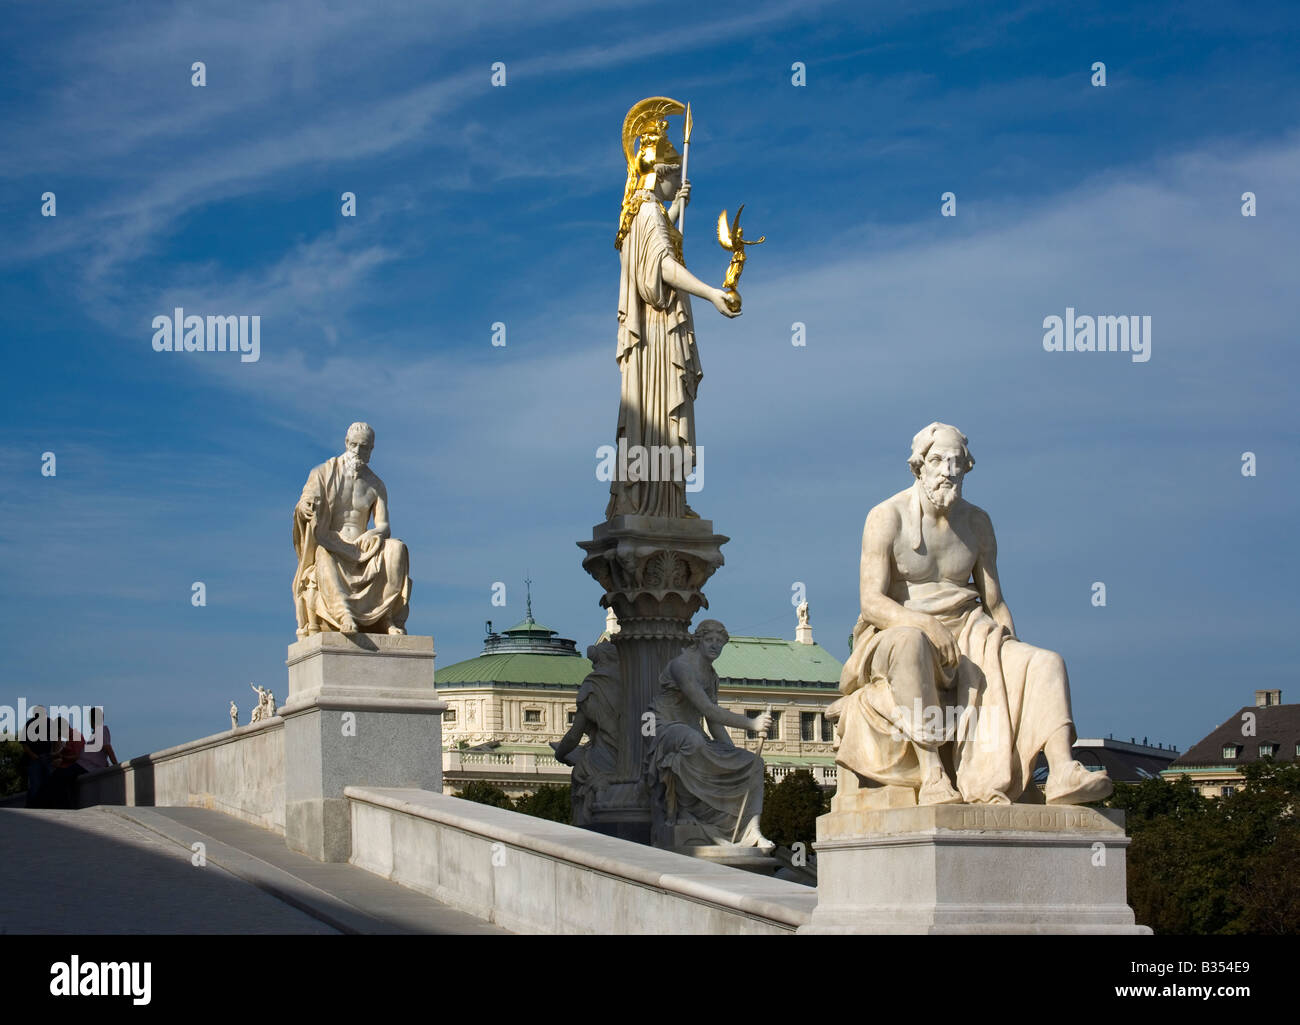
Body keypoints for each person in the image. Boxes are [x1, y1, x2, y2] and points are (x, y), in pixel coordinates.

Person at [832, 423, 1112, 806]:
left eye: (956, 462)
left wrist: (1009, 654)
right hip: (895, 632)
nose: (947, 471)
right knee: (912, 643)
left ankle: (1062, 769)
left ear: (966, 467)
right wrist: (924, 623)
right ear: (918, 466)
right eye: (937, 461)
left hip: (968, 630)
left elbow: (994, 603)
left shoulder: (977, 523)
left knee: (1046, 663)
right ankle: (932, 773)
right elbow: (872, 602)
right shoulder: (886, 517)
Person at [607, 101, 740, 520]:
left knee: (655, 422)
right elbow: (662, 268)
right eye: (675, 173)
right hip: (657, 340)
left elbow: (657, 248)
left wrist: (676, 210)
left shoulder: (639, 214)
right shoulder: (649, 214)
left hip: (652, 338)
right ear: (661, 174)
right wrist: (711, 293)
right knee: (659, 416)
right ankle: (658, 505)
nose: (679, 180)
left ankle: (663, 501)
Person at [642, 620, 774, 848]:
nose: (715, 645)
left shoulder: (712, 676)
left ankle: (751, 830)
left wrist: (731, 757)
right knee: (692, 741)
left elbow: (714, 724)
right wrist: (752, 723)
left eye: (720, 642)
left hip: (692, 732)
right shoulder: (682, 666)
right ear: (698, 640)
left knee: (754, 763)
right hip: (661, 726)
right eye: (710, 640)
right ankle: (686, 811)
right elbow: (707, 709)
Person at [293, 422, 412, 636]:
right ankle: (344, 613)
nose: (358, 451)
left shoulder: (376, 484)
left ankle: (386, 617)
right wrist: (304, 508)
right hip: (332, 542)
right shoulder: (322, 473)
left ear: (371, 449)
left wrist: (375, 532)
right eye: (354, 445)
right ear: (347, 443)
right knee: (324, 552)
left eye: (364, 447)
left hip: (364, 547)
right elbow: (306, 500)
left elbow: (384, 525)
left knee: (397, 549)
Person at [76, 706, 118, 773]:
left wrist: (117, 767)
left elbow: (108, 749)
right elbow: (100, 753)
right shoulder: (97, 732)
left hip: (85, 766)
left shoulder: (100, 730)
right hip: (84, 765)